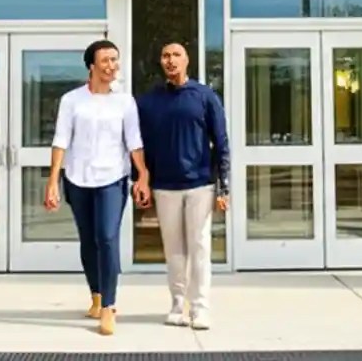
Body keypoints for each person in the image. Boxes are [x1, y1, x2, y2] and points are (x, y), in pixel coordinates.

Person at [44, 39, 150, 336]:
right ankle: (96, 296)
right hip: (77, 178)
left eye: (115, 60)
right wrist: (53, 180)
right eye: (105, 60)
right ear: (91, 65)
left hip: (113, 178)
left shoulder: (125, 101)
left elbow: (135, 142)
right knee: (88, 240)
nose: (112, 65)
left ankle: (109, 307)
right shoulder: (72, 100)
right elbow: (61, 140)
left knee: (106, 237)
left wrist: (143, 175)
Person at [135, 41, 230, 331]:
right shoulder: (149, 102)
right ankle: (178, 304)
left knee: (199, 246)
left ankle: (200, 308)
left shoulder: (205, 96)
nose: (171, 60)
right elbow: (140, 146)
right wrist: (141, 181)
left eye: (176, 55)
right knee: (174, 249)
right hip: (164, 186)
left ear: (187, 60)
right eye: (165, 55)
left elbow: (222, 142)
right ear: (161, 62)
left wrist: (223, 186)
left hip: (200, 184)